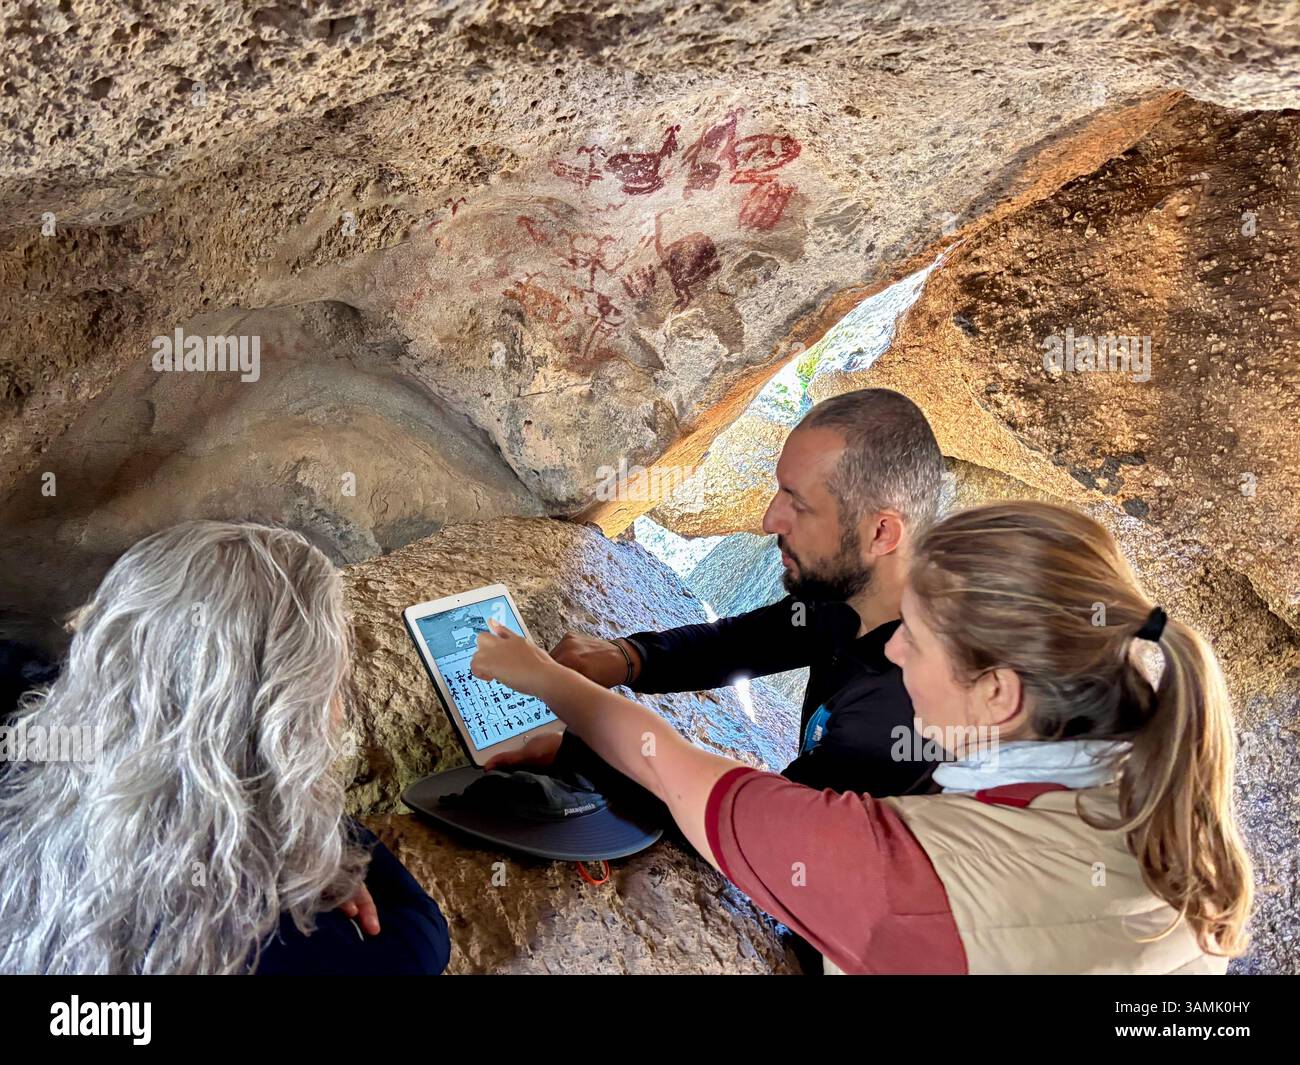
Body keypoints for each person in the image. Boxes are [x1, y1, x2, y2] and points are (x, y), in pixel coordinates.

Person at [471, 501, 1253, 973]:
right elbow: (769, 634)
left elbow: (681, 775)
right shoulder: (1152, 789)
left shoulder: (920, 871)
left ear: (997, 692)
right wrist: (630, 659)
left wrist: (543, 679)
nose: (896, 649)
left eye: (915, 637)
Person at [0, 521, 450, 976]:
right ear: (287, 717)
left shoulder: (21, 769)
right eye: (330, 678)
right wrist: (324, 845)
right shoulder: (286, 935)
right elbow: (416, 941)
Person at [494, 388, 948, 798]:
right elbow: (748, 642)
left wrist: (593, 755)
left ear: (882, 532)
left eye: (799, 505)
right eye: (779, 491)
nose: (771, 521)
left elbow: (772, 827)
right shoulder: (859, 597)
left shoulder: (910, 703)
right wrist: (631, 657)